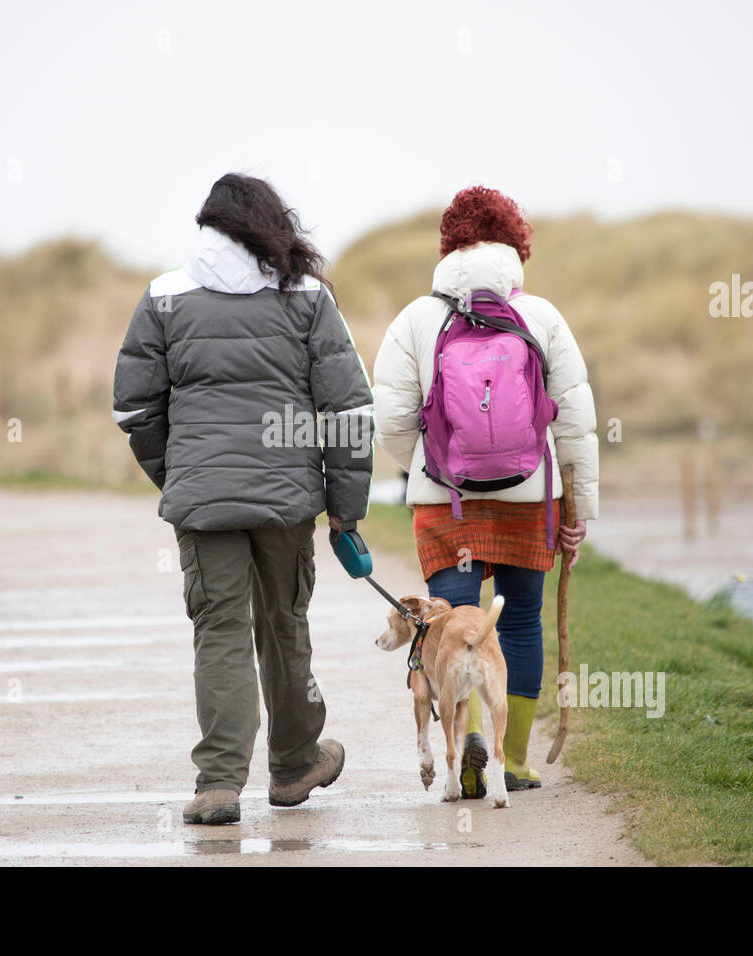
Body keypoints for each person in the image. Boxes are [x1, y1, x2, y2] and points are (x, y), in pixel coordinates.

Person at [113, 173, 374, 825]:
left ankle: (217, 785)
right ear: (267, 224)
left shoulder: (165, 296)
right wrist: (346, 503)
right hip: (286, 499)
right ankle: (294, 765)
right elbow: (346, 409)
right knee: (284, 625)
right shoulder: (307, 296)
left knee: (219, 631)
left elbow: (134, 406)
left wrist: (180, 474)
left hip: (203, 500)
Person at [371, 186, 598, 796]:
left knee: (450, 626)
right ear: (515, 245)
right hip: (530, 501)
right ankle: (513, 761)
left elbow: (390, 418)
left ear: (449, 245)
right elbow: (574, 418)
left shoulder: (416, 319)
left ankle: (463, 752)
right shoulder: (541, 315)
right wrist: (580, 511)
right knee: (520, 621)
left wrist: (428, 465)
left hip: (447, 503)